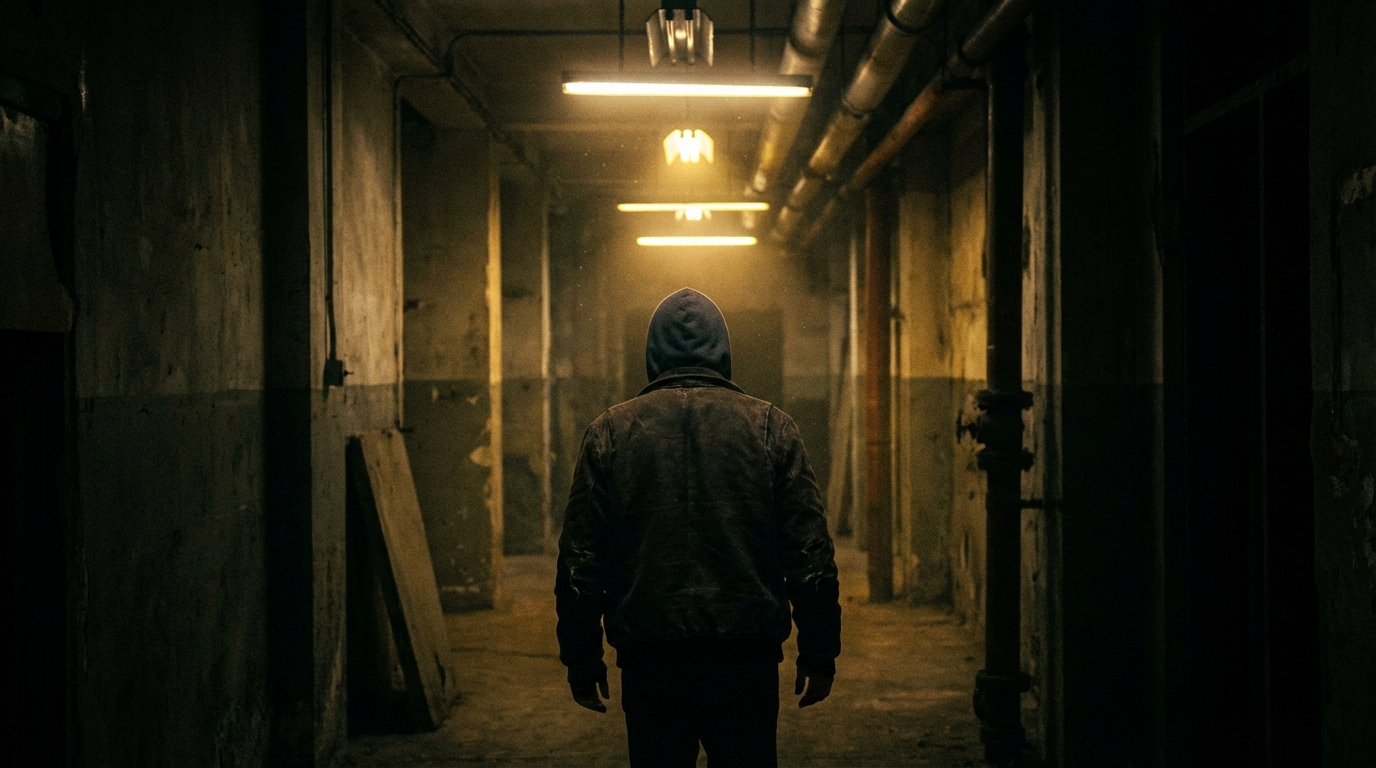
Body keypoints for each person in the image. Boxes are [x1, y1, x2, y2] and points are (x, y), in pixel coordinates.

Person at [555, 287, 842, 767]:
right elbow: (809, 554)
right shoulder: (772, 428)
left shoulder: (609, 432)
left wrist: (582, 659)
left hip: (651, 659)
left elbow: (580, 562)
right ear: (723, 352)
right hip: (745, 659)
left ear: (653, 354)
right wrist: (819, 651)